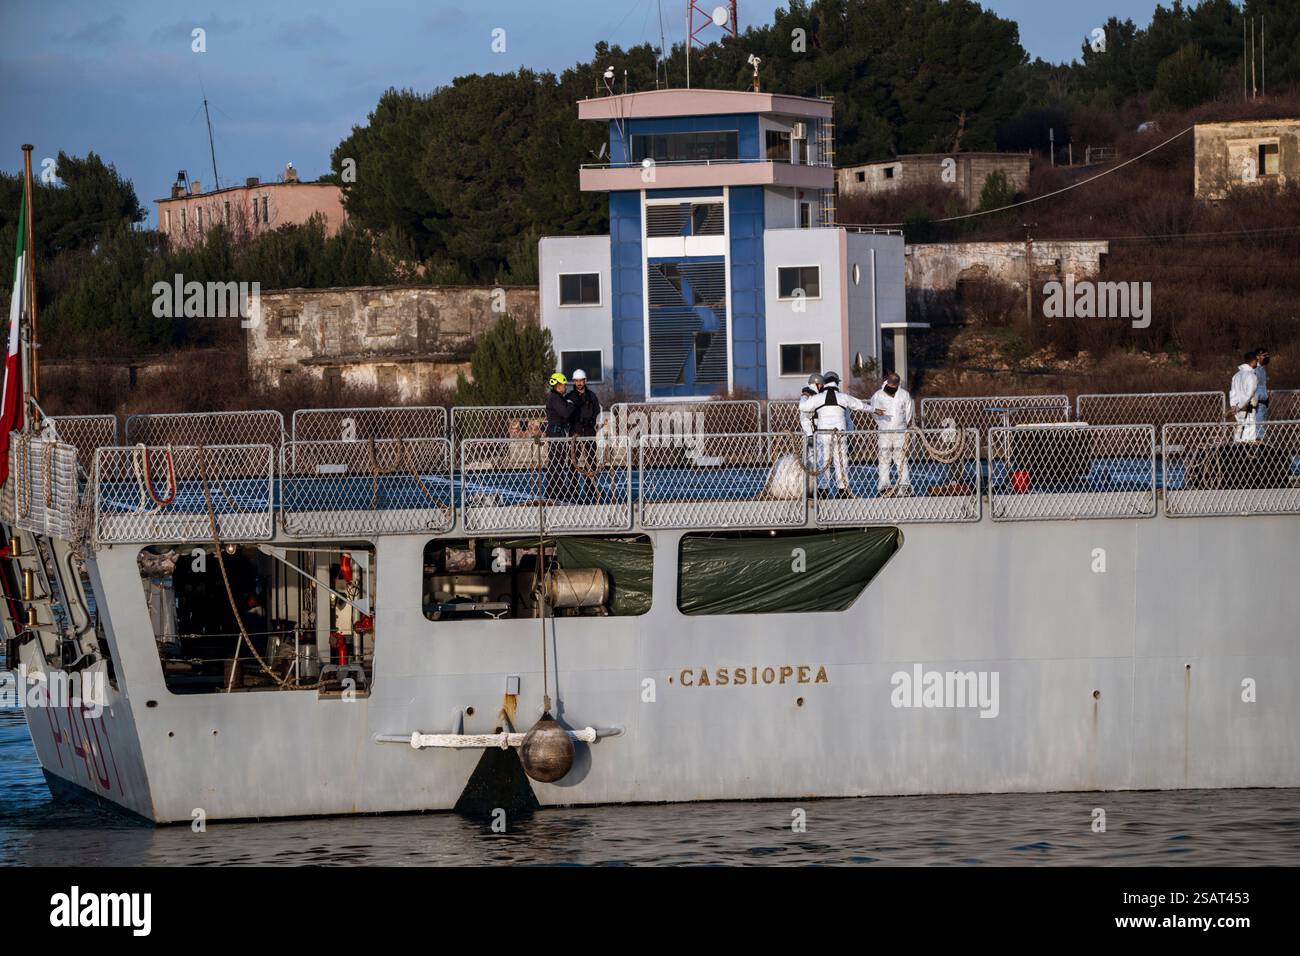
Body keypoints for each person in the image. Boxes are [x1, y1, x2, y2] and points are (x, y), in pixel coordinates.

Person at [801, 371, 868, 498]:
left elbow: (847, 417)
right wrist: (810, 435)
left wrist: (849, 436)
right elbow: (804, 418)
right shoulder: (811, 397)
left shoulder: (825, 397)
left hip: (823, 435)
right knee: (816, 463)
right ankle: (815, 491)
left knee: (834, 462)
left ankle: (836, 490)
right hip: (815, 436)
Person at [870, 372, 915, 495]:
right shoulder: (878, 395)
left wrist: (902, 424)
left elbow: (908, 412)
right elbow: (873, 411)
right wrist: (882, 423)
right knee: (884, 457)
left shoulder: (904, 395)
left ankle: (904, 484)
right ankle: (884, 485)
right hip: (884, 431)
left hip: (900, 430)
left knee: (901, 457)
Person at [567, 369, 602, 499]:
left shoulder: (592, 396)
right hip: (575, 431)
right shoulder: (570, 396)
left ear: (585, 381)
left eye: (581, 380)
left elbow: (596, 410)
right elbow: (566, 412)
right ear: (574, 382)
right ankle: (572, 490)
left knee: (591, 460)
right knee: (572, 462)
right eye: (576, 381)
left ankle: (591, 490)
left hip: (588, 431)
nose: (579, 383)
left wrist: (591, 421)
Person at [544, 372, 575, 499]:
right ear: (558, 385)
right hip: (555, 432)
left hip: (558, 432)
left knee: (560, 461)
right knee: (556, 462)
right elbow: (565, 412)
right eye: (564, 384)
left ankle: (559, 488)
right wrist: (571, 404)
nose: (565, 387)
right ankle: (553, 491)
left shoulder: (557, 397)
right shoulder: (555, 398)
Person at [1229, 351, 1259, 443]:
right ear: (1253, 361)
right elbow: (1249, 394)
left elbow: (1232, 392)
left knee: (1239, 429)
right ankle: (1246, 454)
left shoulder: (1236, 376)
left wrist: (1234, 405)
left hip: (1238, 409)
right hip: (1247, 408)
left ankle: (1237, 451)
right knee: (1248, 432)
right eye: (1256, 361)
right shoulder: (1251, 376)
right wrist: (1240, 406)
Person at [1254, 347, 1270, 439]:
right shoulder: (1255, 370)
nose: (1267, 357)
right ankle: (1258, 449)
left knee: (1263, 427)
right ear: (1257, 356)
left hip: (1264, 403)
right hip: (1257, 403)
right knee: (1258, 429)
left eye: (1267, 355)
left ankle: (1262, 447)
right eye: (1264, 355)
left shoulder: (1263, 369)